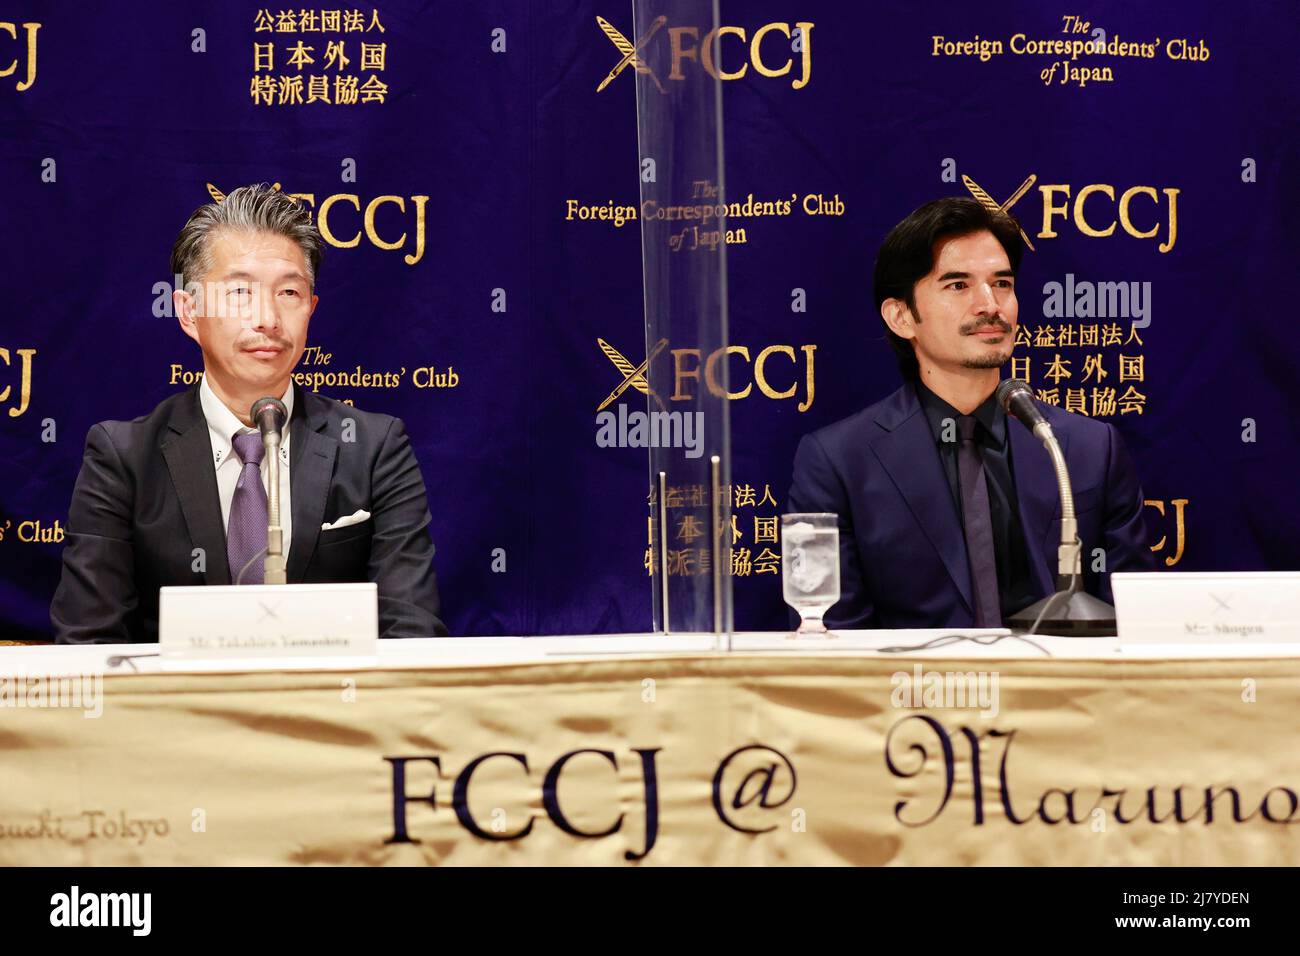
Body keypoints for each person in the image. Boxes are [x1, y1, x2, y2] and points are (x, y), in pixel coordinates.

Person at [51, 184, 446, 642]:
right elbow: (88, 640)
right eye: (239, 291)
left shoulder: (376, 448)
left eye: (289, 293)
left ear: (311, 310)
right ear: (188, 311)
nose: (268, 318)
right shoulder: (124, 459)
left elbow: (411, 634)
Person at [787, 197, 1154, 629]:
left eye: (1002, 283)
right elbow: (831, 642)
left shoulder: (1086, 450)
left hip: (1059, 691)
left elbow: (1138, 625)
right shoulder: (839, 463)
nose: (990, 305)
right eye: (958, 285)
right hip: (913, 692)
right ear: (902, 316)